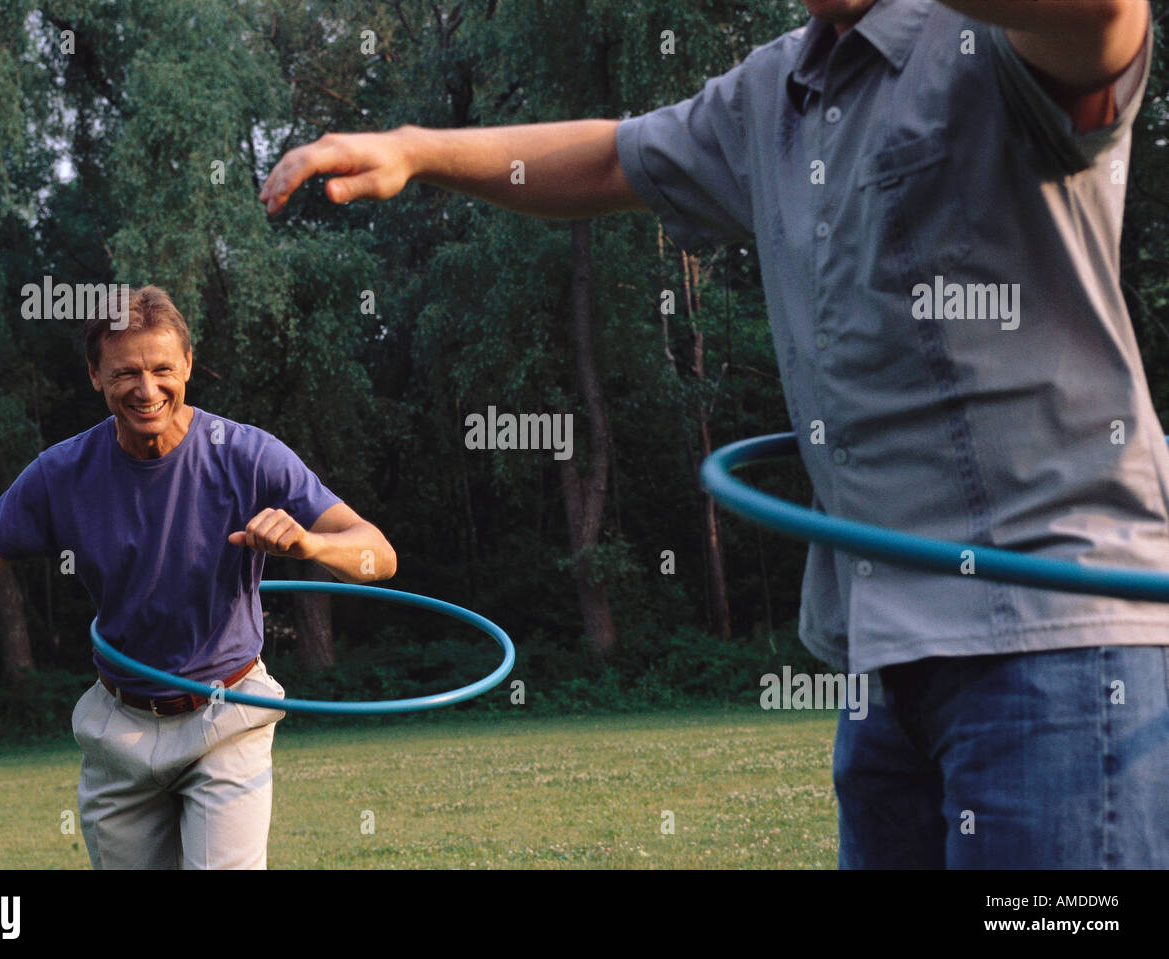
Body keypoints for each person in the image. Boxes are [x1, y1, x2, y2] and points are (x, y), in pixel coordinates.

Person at [257, 0, 1167, 868]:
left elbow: (1102, 21)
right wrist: (416, 148)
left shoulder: (996, 42)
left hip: (1062, 641)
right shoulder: (774, 92)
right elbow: (613, 158)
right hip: (881, 656)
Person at [0, 285, 396, 869]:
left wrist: (311, 542)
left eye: (162, 369)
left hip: (228, 714)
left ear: (189, 366)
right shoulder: (62, 474)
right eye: (125, 374)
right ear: (95, 375)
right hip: (119, 728)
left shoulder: (248, 456)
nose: (147, 390)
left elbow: (377, 553)